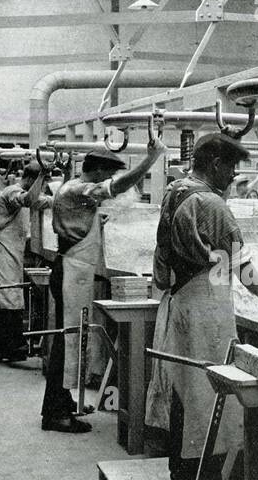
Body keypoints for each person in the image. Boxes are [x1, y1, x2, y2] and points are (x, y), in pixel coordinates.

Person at [145, 133, 258, 480]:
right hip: (205, 310)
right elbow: (242, 267)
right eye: (230, 168)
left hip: (181, 300)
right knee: (207, 398)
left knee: (187, 392)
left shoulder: (177, 190)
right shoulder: (211, 203)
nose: (232, 176)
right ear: (215, 164)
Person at [39, 140, 166, 433]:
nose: (107, 180)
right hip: (72, 271)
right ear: (95, 171)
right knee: (68, 340)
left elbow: (84, 218)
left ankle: (62, 399)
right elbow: (117, 187)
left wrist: (98, 220)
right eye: (105, 174)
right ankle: (54, 414)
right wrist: (150, 160)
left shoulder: (75, 189)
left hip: (75, 269)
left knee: (72, 337)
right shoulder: (77, 189)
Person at [0, 161, 47, 364]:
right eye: (40, 181)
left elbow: (46, 201)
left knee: (12, 298)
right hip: (3, 248)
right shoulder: (13, 192)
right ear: (31, 178)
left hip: (11, 249)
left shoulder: (25, 194)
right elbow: (29, 200)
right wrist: (42, 176)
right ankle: (8, 347)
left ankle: (5, 347)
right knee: (10, 298)